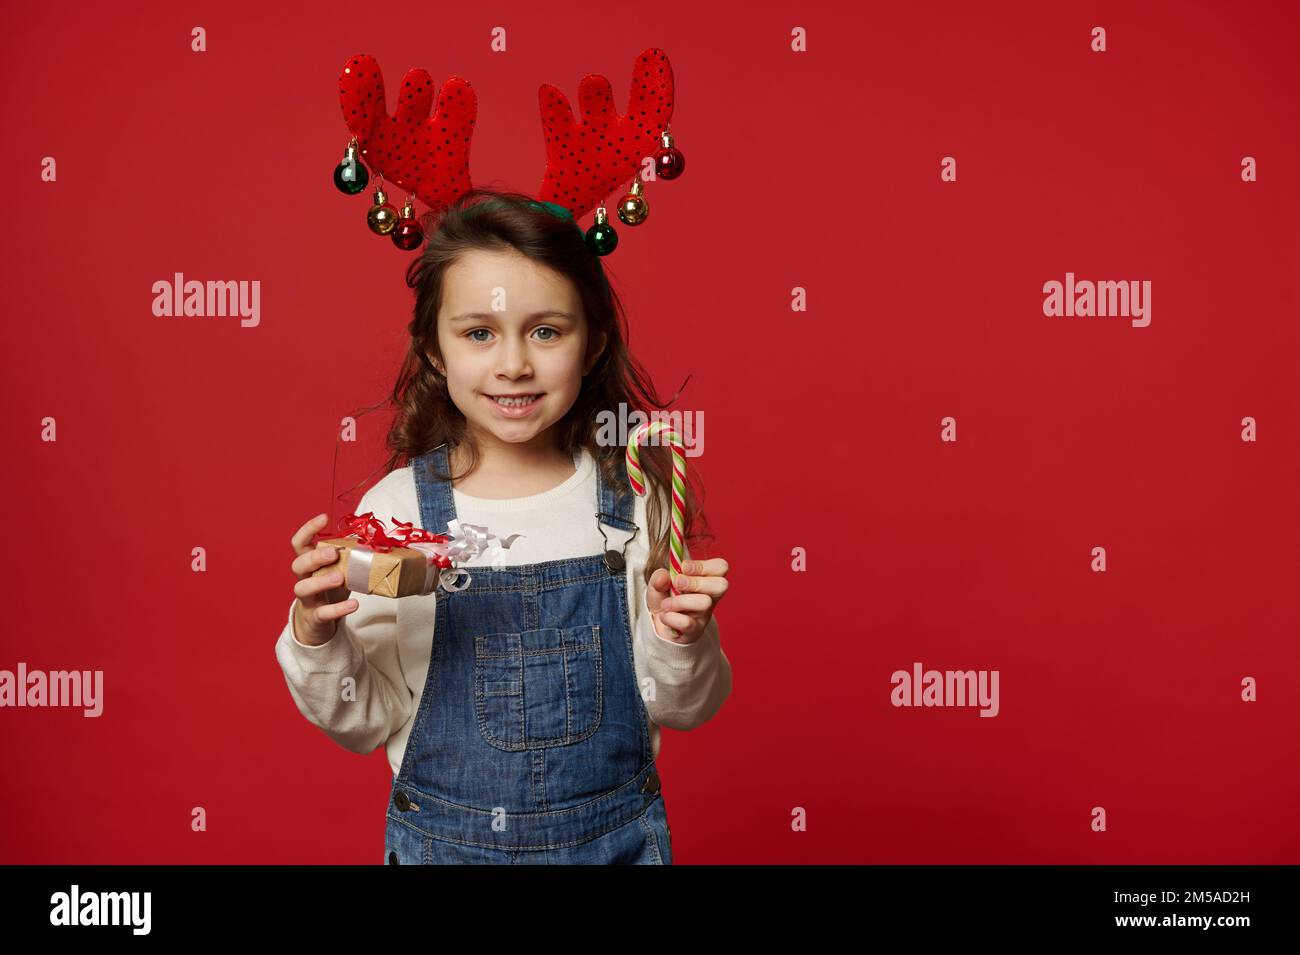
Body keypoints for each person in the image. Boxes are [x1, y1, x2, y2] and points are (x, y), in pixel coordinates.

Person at [275, 187, 733, 864]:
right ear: (434, 348)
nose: (514, 363)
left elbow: (681, 705)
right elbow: (364, 718)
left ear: (593, 341)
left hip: (616, 847)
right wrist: (318, 635)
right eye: (479, 333)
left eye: (546, 330)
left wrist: (678, 636)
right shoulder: (399, 511)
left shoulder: (635, 501)